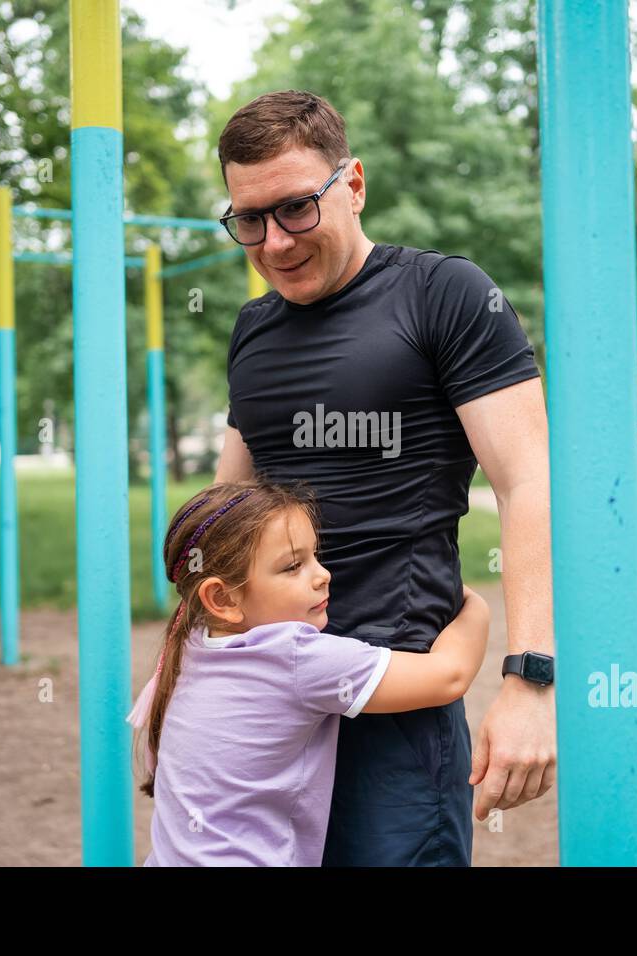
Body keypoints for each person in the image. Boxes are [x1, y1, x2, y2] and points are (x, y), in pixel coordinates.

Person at [213, 90, 556, 866]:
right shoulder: (252, 328)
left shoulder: (447, 295)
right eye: (249, 221)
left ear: (354, 184)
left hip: (394, 701)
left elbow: (528, 482)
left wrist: (530, 678)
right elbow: (225, 514)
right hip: (267, 700)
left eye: (297, 208)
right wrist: (186, 676)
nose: (274, 242)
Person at [130, 479, 489, 866]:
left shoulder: (189, 644)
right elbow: (448, 676)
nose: (323, 575)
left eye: (316, 556)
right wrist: (470, 602)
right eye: (293, 566)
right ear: (222, 598)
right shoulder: (294, 656)